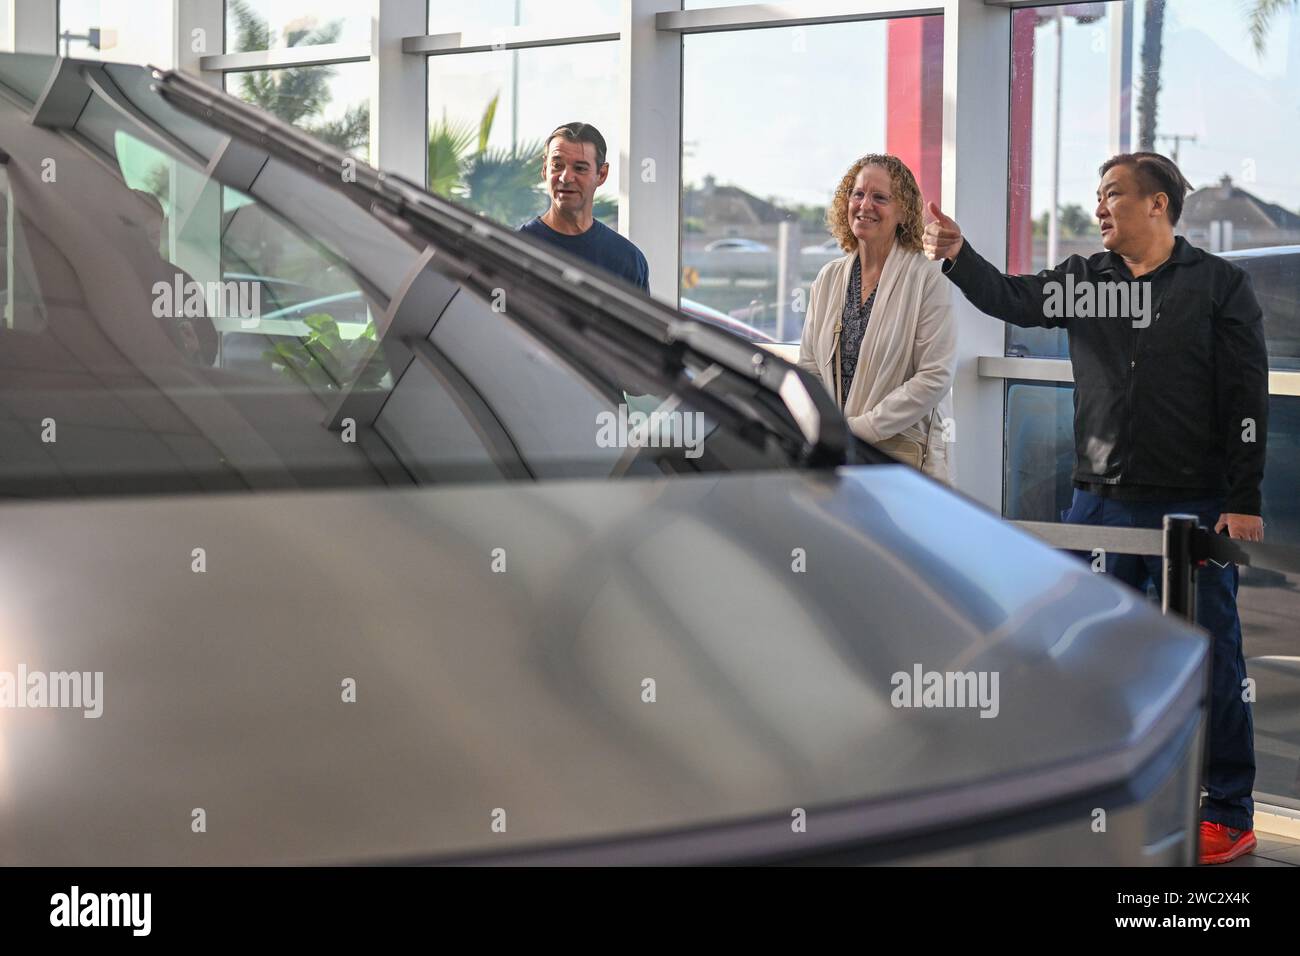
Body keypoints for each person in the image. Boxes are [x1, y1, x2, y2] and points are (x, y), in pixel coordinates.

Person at [924, 151, 1268, 864]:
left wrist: (1242, 499)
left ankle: (1228, 813)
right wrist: (959, 257)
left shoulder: (1219, 286)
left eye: (1112, 194)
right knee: (1078, 654)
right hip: (1099, 502)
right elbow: (1016, 299)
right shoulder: (1085, 280)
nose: (1099, 207)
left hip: (1193, 509)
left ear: (1158, 206)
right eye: (1098, 195)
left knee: (1214, 658)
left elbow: (1246, 398)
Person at [796, 153, 956, 483]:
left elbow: (934, 376)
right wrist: (827, 427)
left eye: (880, 197)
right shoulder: (828, 278)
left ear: (903, 212)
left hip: (901, 463)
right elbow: (810, 365)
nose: (865, 205)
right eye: (858, 194)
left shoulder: (928, 278)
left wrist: (861, 429)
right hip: (839, 458)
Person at [519, 122, 649, 292]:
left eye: (580, 168)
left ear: (601, 174)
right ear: (545, 169)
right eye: (557, 166)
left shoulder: (628, 260)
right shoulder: (515, 249)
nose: (565, 178)